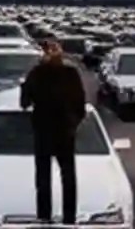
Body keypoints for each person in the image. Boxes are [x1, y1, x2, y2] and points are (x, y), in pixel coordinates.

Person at [20, 40, 86, 225]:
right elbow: (81, 104)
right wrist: (73, 123)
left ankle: (47, 217)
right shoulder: (70, 74)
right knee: (63, 176)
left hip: (46, 130)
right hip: (62, 131)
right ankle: (66, 218)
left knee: (46, 177)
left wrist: (26, 86)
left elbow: (24, 102)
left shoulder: (37, 74)